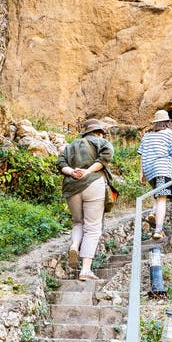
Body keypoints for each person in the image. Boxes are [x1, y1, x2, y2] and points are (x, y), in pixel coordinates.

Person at [57, 118, 114, 280]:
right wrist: (87, 172)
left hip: (71, 186)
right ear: (98, 133)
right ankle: (86, 270)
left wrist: (73, 172)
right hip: (93, 184)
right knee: (93, 228)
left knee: (77, 222)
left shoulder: (71, 145)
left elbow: (60, 163)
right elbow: (105, 157)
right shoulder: (102, 143)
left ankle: (74, 245)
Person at [138, 109, 172, 239]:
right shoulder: (169, 133)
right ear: (167, 122)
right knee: (162, 199)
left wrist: (142, 174)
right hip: (162, 169)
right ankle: (158, 231)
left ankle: (153, 212)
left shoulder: (147, 135)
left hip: (149, 170)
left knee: (158, 195)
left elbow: (142, 155)